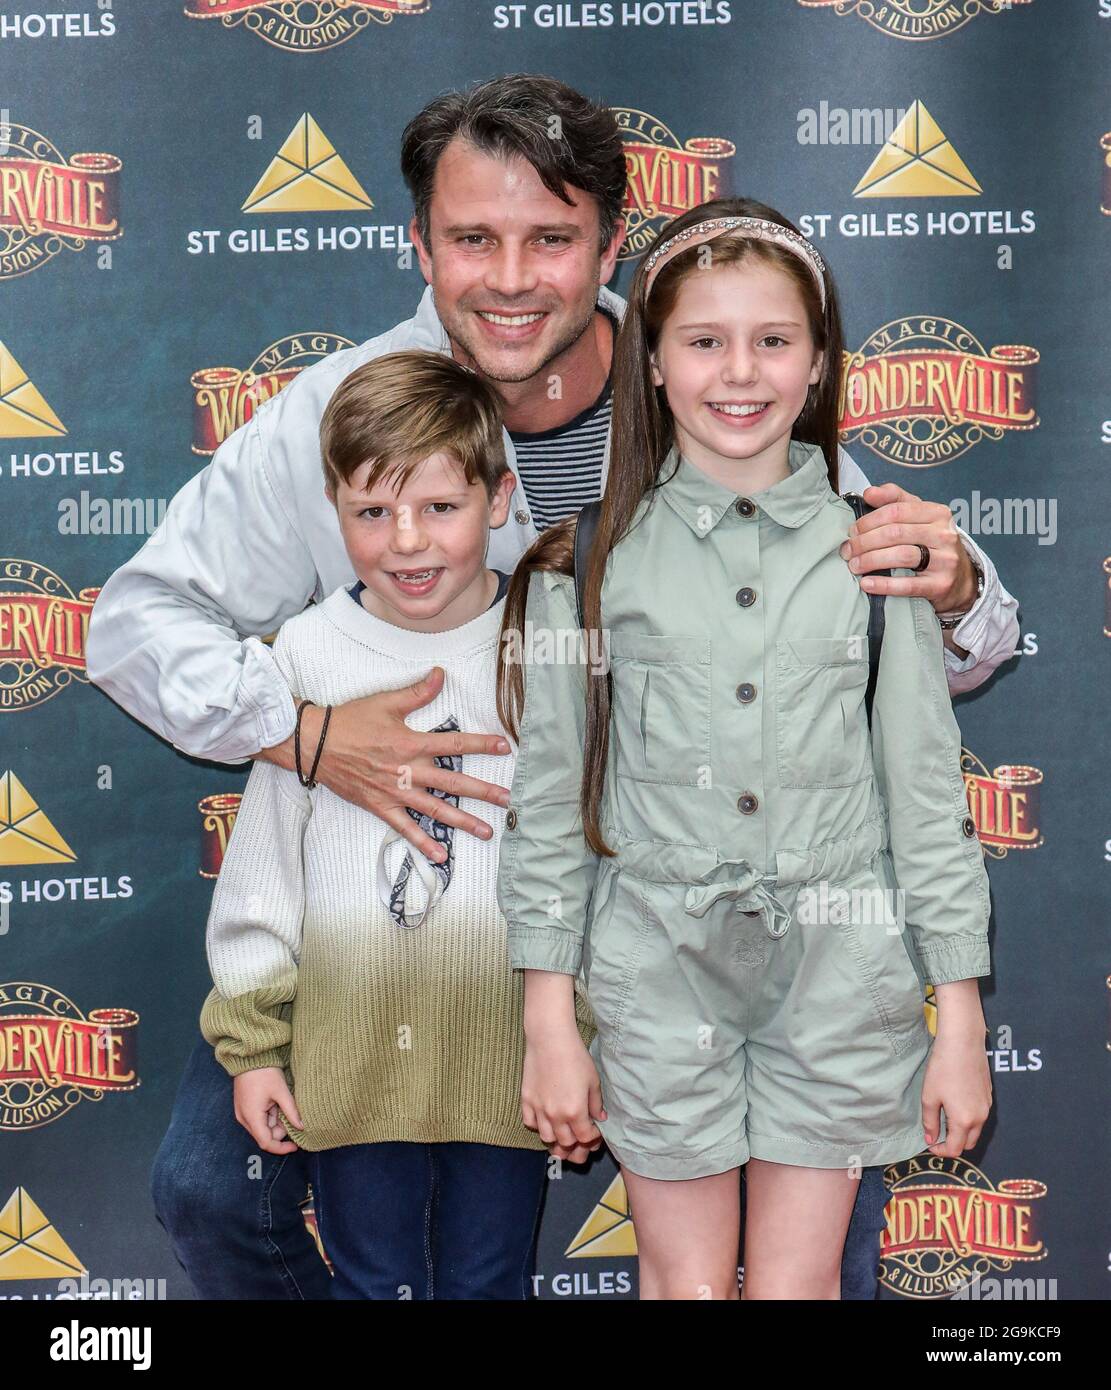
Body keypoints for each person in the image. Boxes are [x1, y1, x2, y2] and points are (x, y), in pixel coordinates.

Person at [85, 75, 1017, 1300]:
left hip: (667, 927)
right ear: (419, 244)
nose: (512, 279)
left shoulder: (711, 371)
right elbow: (134, 624)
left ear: (610, 244)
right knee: (213, 1188)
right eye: (473, 239)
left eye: (552, 239)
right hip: (408, 932)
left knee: (813, 1227)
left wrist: (956, 587)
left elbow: (912, 631)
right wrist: (307, 734)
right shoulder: (340, 411)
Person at [495, 197, 994, 1300]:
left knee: (797, 1288)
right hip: (655, 971)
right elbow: (549, 807)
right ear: (652, 364)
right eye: (703, 341)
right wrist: (548, 1022)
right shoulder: (582, 566)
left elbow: (924, 798)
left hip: (837, 971)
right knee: (682, 1286)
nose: (739, 372)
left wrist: (957, 1016)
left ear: (817, 365)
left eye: (772, 340)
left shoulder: (880, 555)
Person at [200, 348, 596, 1299]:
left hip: (507, 1056)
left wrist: (581, 1029)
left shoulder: (548, 641)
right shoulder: (305, 656)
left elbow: (591, 851)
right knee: (373, 1283)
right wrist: (254, 1048)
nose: (407, 542)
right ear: (332, 509)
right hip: (352, 1057)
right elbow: (263, 870)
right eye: (372, 512)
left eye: (439, 507)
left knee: (488, 1280)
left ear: (498, 500)